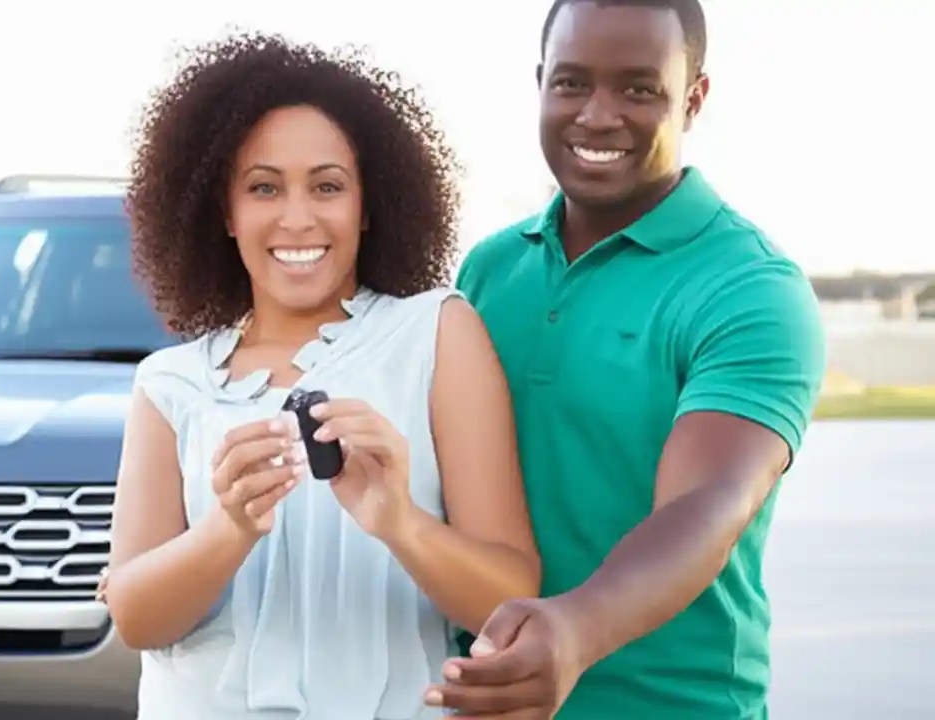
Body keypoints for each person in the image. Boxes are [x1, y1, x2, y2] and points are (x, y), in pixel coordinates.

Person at [103, 32, 542, 719]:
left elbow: (511, 598)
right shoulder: (171, 382)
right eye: (263, 187)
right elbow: (134, 619)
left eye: (328, 186)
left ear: (369, 205)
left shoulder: (435, 333)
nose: (298, 216)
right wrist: (228, 530)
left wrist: (399, 521)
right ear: (225, 211)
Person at [427, 1, 827, 718]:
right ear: (541, 83)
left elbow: (709, 503)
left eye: (638, 88)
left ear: (694, 98)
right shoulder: (488, 270)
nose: (598, 115)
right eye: (572, 83)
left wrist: (576, 628)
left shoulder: (751, 286)